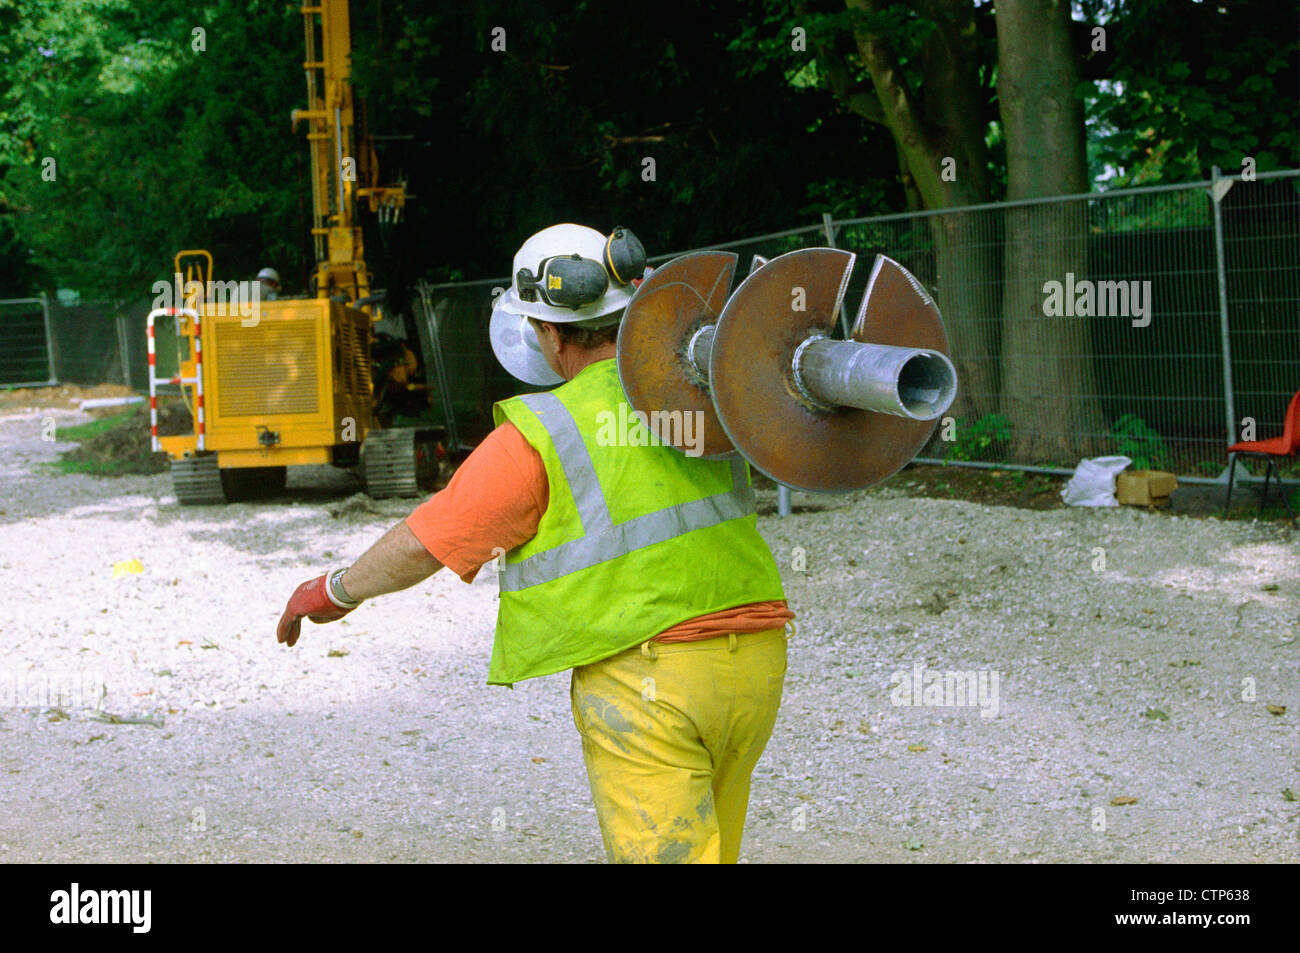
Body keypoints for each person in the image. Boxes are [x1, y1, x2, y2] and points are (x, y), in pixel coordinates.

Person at [276, 224, 794, 864]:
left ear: (548, 333)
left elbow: (428, 541)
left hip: (650, 679)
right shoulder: (698, 389)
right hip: (757, 664)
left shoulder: (545, 430)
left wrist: (334, 591)